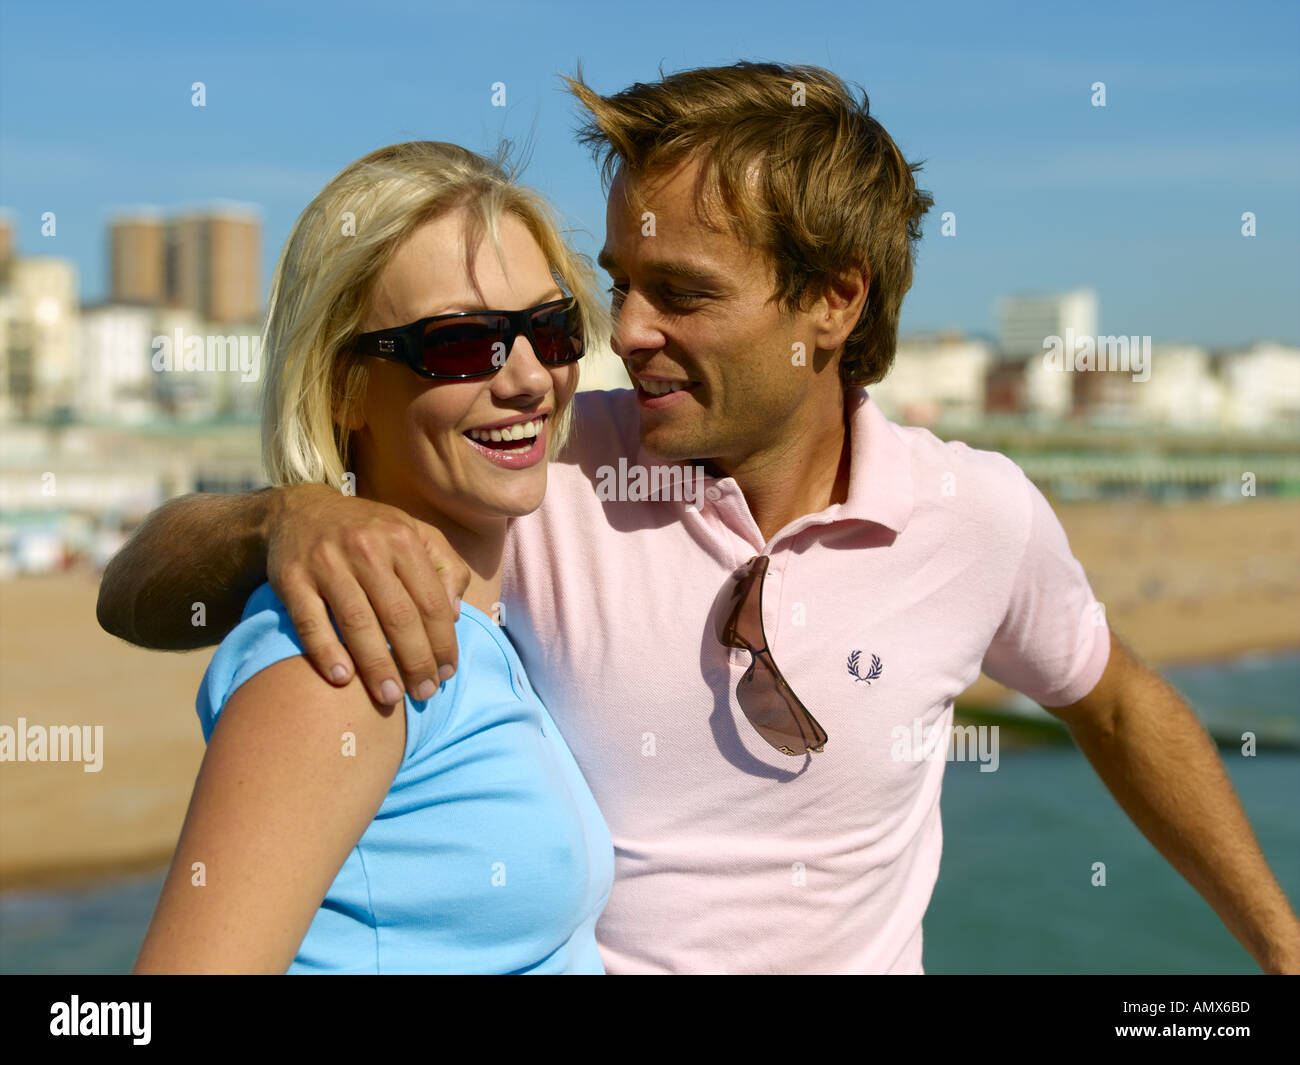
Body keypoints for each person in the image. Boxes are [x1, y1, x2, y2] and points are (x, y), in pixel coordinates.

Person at [104, 63, 1300, 975]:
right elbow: (138, 596)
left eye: (677, 293)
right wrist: (285, 515)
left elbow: (1115, 699)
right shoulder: (536, 473)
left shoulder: (975, 514)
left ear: (832, 303)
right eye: (616, 287)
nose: (618, 337)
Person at [131, 141, 615, 974]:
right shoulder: (351, 652)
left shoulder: (477, 623)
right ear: (343, 387)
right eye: (462, 344)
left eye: (551, 328)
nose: (530, 377)